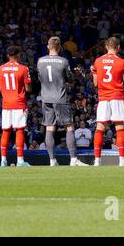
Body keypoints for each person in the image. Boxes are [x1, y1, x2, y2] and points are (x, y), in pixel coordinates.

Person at [36, 36, 84, 167]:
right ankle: (73, 159)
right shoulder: (63, 61)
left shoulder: (40, 61)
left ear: (48, 46)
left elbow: (40, 78)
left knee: (49, 128)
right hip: (60, 97)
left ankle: (52, 160)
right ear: (60, 47)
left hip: (46, 98)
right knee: (69, 127)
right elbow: (70, 78)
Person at [91, 37, 124, 167]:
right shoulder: (122, 62)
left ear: (106, 47)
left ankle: (97, 160)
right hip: (117, 96)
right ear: (118, 47)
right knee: (119, 128)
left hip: (103, 97)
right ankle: (122, 160)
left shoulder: (98, 61)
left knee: (100, 127)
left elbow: (95, 84)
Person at [0, 45, 32, 167]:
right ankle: (20, 160)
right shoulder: (23, 68)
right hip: (19, 103)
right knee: (19, 130)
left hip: (6, 104)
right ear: (18, 54)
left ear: (8, 55)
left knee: (6, 131)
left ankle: (3, 160)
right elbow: (28, 89)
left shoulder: (1, 68)